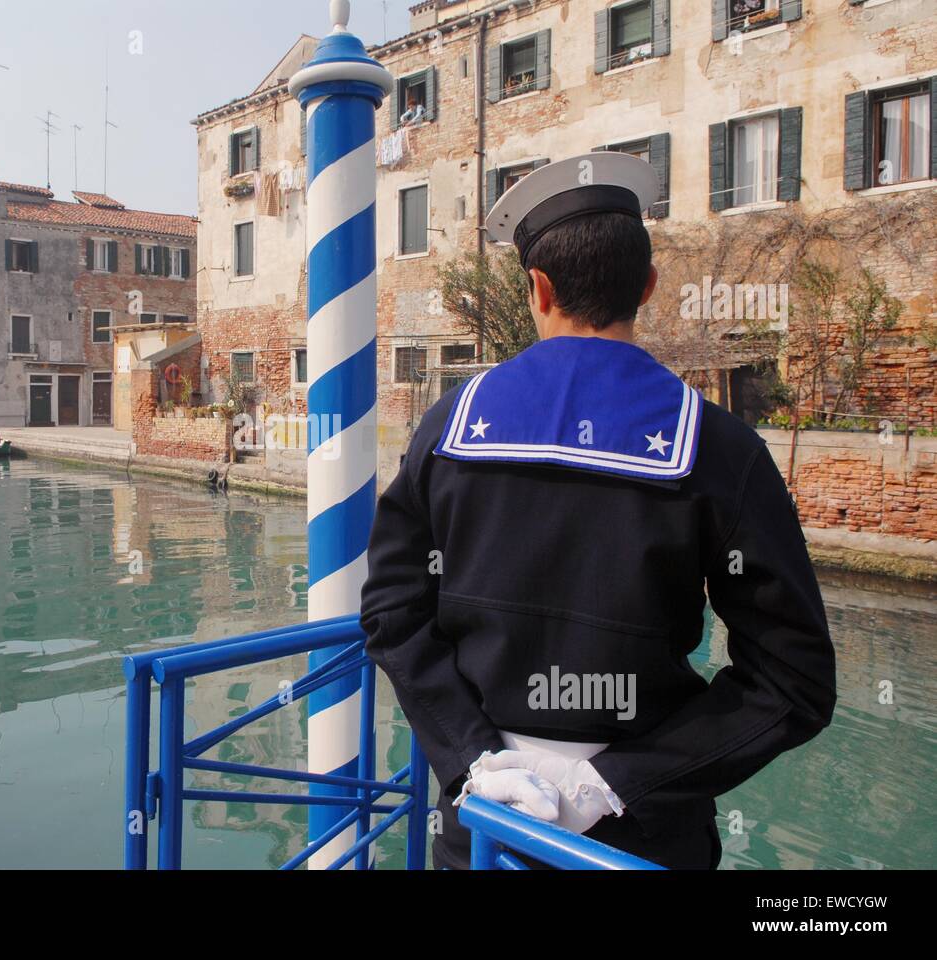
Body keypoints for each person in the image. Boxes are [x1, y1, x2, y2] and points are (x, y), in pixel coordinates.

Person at [359, 152, 837, 870]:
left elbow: (392, 611)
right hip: (639, 837)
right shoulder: (722, 447)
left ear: (538, 289)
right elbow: (793, 679)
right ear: (646, 285)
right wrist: (611, 785)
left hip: (485, 824)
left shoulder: (447, 428)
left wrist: (474, 759)